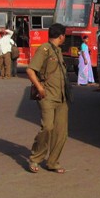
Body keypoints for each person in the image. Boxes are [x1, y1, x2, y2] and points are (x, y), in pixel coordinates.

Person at [26, 22, 71, 173]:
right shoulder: (44, 49)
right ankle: (35, 158)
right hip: (47, 96)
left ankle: (53, 162)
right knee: (47, 127)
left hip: (62, 97)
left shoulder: (58, 51)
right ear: (61, 36)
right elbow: (30, 70)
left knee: (61, 132)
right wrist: (39, 87)